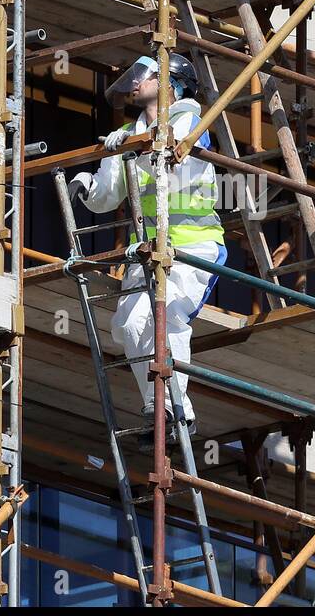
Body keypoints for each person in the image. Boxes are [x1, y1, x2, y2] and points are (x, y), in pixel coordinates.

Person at [70, 53, 225, 444]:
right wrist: (91, 183)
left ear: (170, 81)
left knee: (165, 317)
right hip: (151, 247)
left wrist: (139, 146)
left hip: (193, 248)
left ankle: (178, 412)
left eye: (145, 75)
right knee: (128, 325)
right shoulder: (132, 132)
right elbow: (109, 195)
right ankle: (160, 407)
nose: (134, 82)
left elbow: (175, 165)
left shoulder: (191, 120)